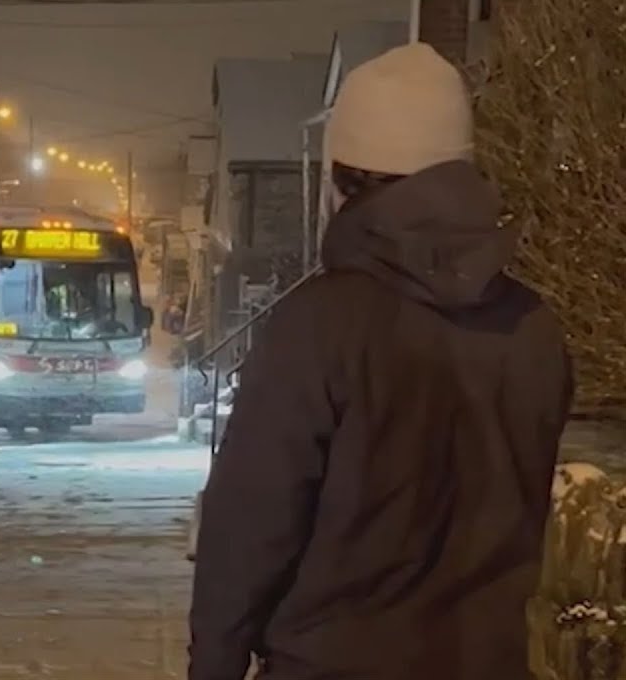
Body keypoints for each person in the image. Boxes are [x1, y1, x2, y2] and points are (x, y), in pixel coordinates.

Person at [188, 42, 573, 680]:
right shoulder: (533, 327)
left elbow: (250, 528)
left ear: (342, 182)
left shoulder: (318, 326)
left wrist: (216, 663)